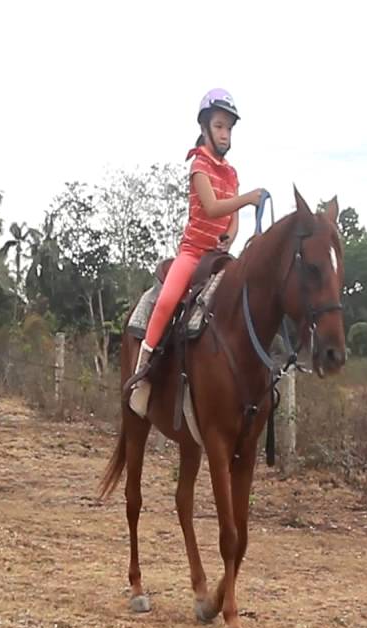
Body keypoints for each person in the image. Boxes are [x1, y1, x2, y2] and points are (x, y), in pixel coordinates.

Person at [125, 88, 266, 416]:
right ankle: (143, 373)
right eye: (219, 126)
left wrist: (230, 237)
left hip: (218, 257)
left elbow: (231, 219)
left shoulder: (231, 172)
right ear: (205, 127)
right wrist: (248, 198)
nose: (225, 134)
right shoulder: (199, 165)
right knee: (166, 301)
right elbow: (213, 207)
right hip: (193, 253)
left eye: (229, 128)